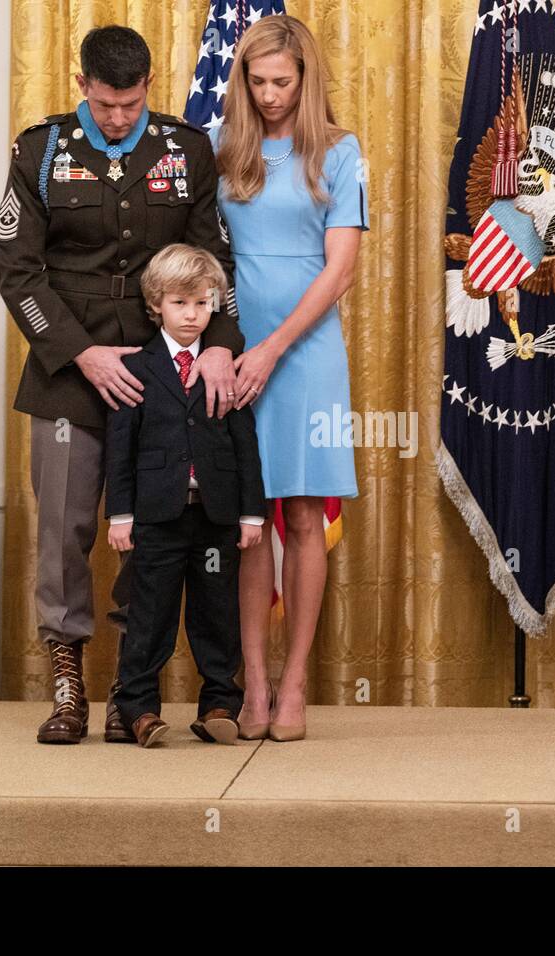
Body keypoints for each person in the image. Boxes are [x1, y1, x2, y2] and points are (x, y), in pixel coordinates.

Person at [0, 25, 245, 745]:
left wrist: (222, 345)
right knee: (65, 531)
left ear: (148, 89)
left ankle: (132, 687)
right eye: (105, 103)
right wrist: (82, 354)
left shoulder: (185, 148)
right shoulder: (40, 152)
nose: (118, 118)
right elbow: (17, 269)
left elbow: (213, 262)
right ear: (82, 87)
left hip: (164, 371)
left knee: (161, 525)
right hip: (69, 375)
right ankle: (68, 685)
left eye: (131, 103)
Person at [209, 16, 367, 743]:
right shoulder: (221, 149)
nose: (269, 95)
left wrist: (271, 349)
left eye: (282, 81)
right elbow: (202, 257)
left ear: (306, 80)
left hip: (303, 356)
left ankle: (296, 679)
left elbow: (340, 270)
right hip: (234, 353)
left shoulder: (339, 152)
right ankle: (255, 684)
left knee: (303, 517)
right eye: (257, 81)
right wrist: (231, 346)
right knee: (247, 525)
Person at [104, 244, 265, 747]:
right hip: (157, 518)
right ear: (156, 304)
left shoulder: (226, 368)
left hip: (215, 517)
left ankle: (220, 701)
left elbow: (245, 446)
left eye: (201, 302)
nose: (192, 314)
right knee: (149, 614)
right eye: (180, 303)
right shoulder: (135, 368)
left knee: (216, 612)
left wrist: (252, 515)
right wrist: (120, 515)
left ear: (214, 303)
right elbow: (121, 451)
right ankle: (138, 709)